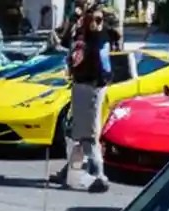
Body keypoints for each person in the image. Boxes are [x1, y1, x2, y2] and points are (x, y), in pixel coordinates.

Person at [51, 5, 112, 193]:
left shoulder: (100, 38)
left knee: (89, 136)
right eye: (92, 19)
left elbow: (104, 66)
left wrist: (99, 82)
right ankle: (68, 170)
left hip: (92, 87)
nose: (95, 23)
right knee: (78, 132)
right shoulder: (81, 34)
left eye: (99, 20)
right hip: (80, 85)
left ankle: (100, 176)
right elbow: (64, 43)